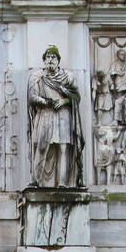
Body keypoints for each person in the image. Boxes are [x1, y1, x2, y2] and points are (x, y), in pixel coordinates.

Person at [27, 45, 84, 187]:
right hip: (45, 114)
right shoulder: (37, 77)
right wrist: (48, 102)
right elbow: (32, 97)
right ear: (44, 60)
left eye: (53, 57)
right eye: (48, 57)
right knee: (41, 147)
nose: (50, 60)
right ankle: (36, 181)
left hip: (63, 115)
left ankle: (63, 183)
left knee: (63, 148)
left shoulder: (67, 77)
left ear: (58, 60)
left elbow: (76, 97)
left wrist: (64, 100)